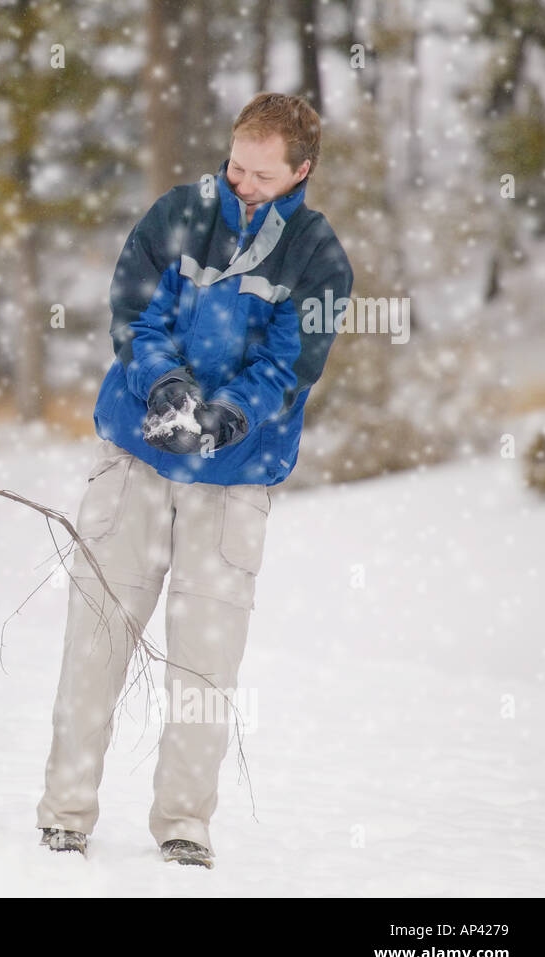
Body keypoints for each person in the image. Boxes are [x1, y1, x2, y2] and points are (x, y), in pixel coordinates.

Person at [36, 92, 353, 866]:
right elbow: (134, 313)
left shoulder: (318, 257)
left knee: (206, 665)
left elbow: (290, 363)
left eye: (259, 173)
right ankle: (65, 812)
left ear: (301, 171)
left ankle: (184, 824)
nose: (239, 181)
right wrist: (169, 388)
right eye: (235, 163)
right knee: (95, 644)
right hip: (135, 461)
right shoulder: (180, 213)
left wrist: (224, 417)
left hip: (232, 481)